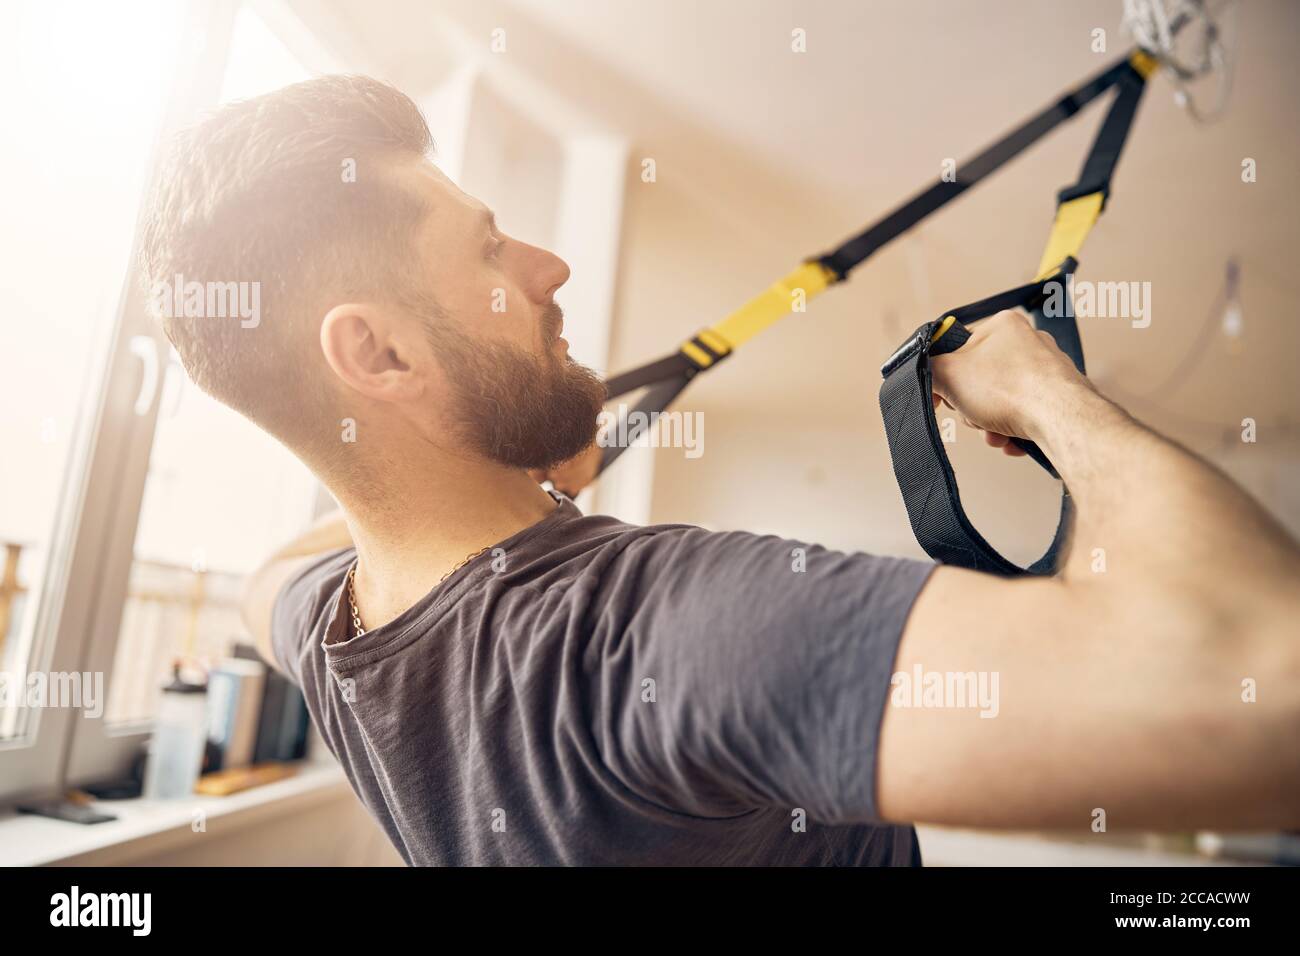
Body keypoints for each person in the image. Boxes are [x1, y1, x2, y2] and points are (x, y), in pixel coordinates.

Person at [140, 75, 1299, 866]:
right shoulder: (646, 630)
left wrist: (496, 472)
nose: (546, 266)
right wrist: (1048, 388)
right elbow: (1261, 684)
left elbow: (276, 563)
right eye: (489, 249)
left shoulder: (330, 632)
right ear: (379, 353)